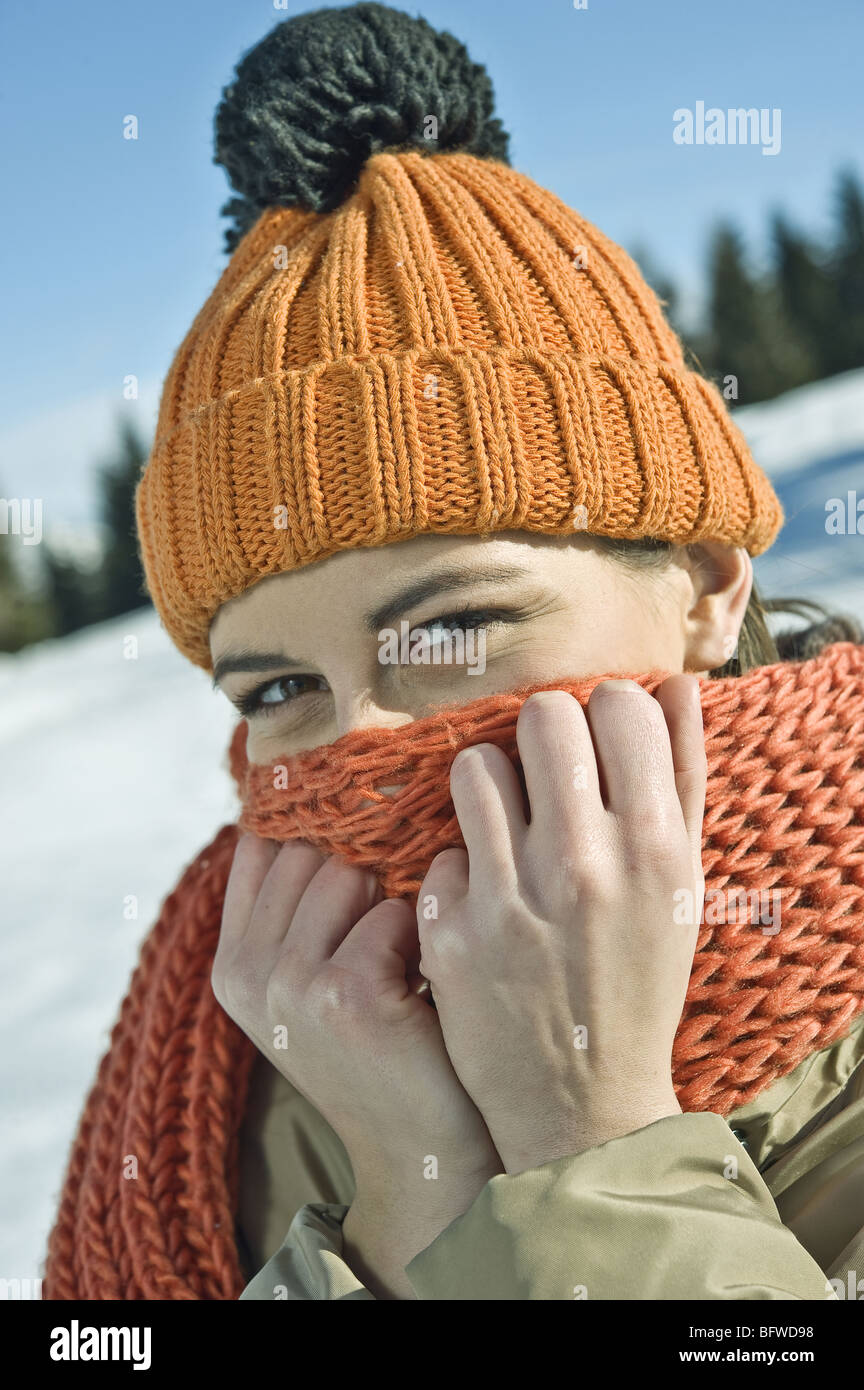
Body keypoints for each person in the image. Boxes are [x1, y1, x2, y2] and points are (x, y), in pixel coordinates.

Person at [43, 2, 864, 1301]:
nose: (362, 738)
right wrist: (402, 1199)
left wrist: (592, 1147)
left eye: (449, 627)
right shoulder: (226, 1063)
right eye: (279, 687)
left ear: (705, 583)